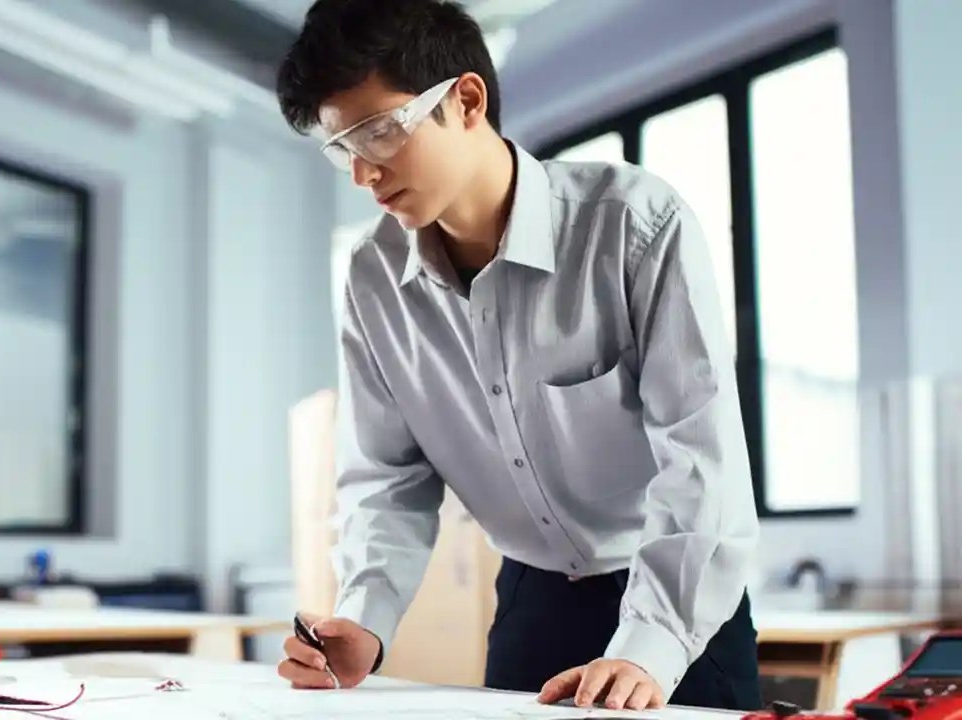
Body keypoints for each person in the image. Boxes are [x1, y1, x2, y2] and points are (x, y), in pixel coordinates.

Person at [273, 0, 763, 712]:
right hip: (532, 598)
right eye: (344, 146)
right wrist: (365, 620)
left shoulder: (633, 225)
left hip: (676, 599)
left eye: (379, 131)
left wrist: (648, 648)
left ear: (466, 100)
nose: (363, 174)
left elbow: (700, 459)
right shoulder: (372, 277)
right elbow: (387, 477)